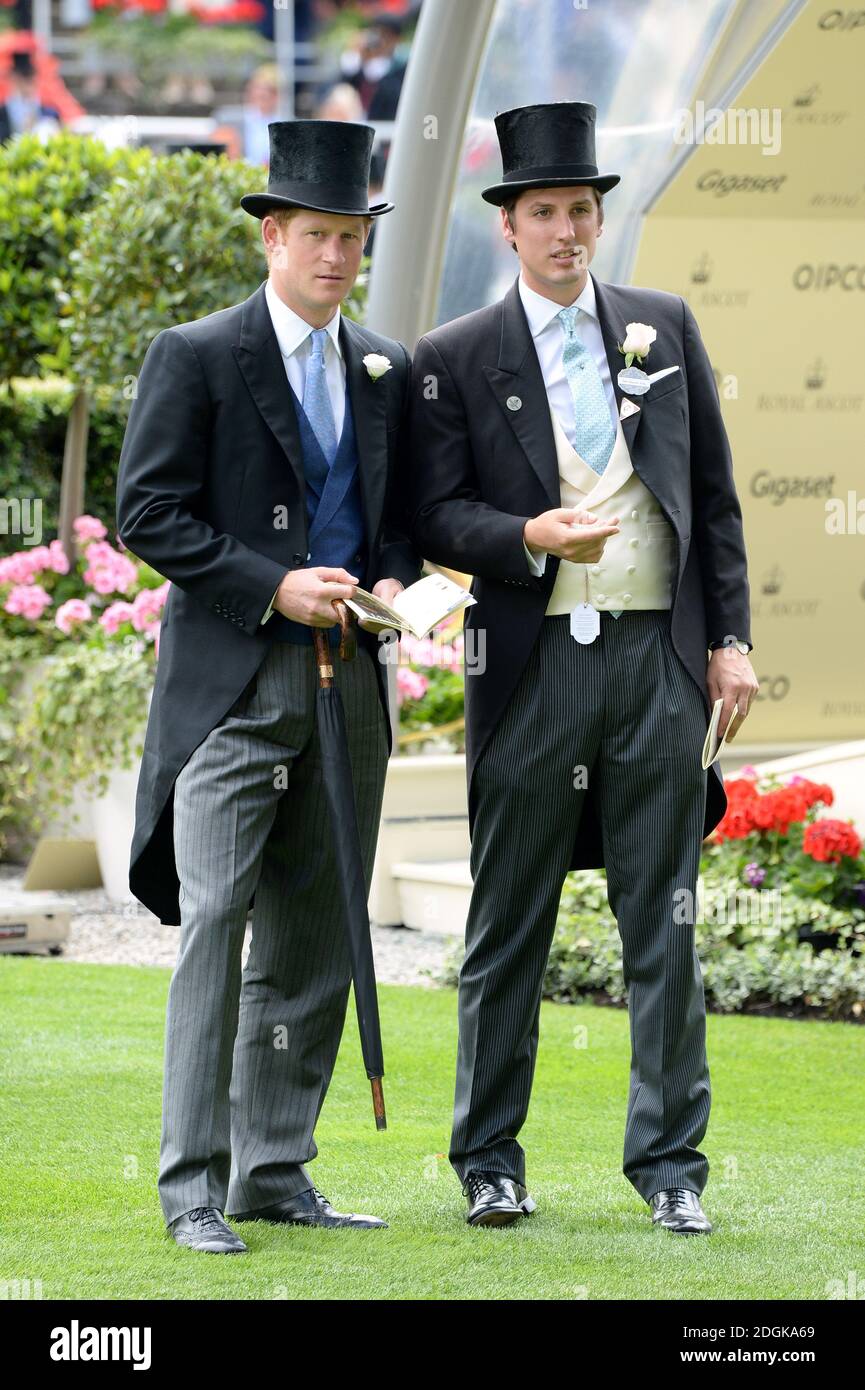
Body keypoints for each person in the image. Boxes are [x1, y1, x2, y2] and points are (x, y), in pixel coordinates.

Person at [407, 101, 758, 1233]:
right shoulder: (454, 356)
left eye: (582, 211)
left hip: (656, 660)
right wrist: (528, 539)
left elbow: (710, 501)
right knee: (510, 921)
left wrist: (730, 642)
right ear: (506, 225)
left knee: (666, 917)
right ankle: (490, 1163)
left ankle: (669, 1171)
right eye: (545, 211)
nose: (567, 230)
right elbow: (435, 516)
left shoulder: (662, 325)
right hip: (533, 667)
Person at [116, 119, 420, 1253]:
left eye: (352, 237)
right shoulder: (194, 354)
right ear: (273, 239)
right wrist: (274, 586)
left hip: (350, 686)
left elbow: (395, 523)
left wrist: (394, 583)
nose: (336, 256)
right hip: (232, 690)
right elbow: (149, 512)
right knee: (214, 930)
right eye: (318, 236)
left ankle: (272, 1168)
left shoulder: (383, 368)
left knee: (315, 935)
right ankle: (191, 1187)